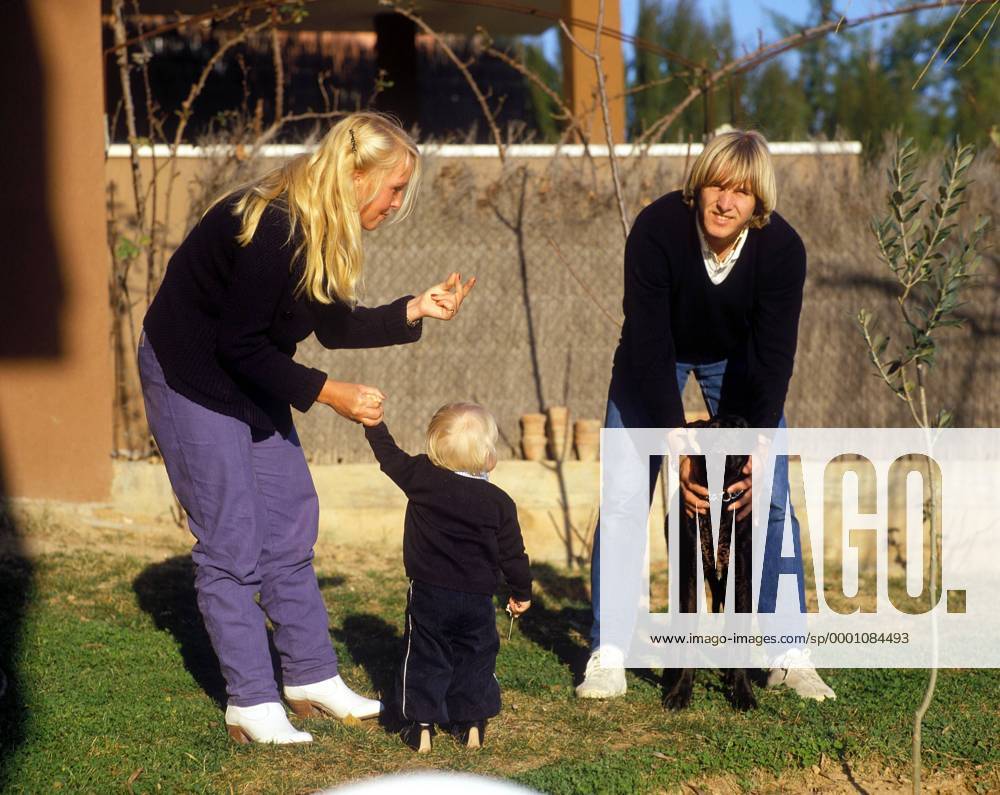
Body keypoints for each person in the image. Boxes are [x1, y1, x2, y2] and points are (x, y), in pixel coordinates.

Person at [138, 112, 476, 744]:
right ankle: (250, 701)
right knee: (231, 538)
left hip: (245, 368)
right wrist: (329, 394)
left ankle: (312, 677)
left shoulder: (322, 226)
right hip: (191, 372)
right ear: (355, 173)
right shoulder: (274, 226)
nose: (398, 202)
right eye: (395, 187)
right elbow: (237, 347)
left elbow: (332, 325)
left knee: (291, 515)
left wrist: (414, 308)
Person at [576, 130, 835, 702]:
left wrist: (760, 441)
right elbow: (646, 335)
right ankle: (609, 651)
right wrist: (677, 442)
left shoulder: (783, 249)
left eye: (741, 193)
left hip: (738, 365)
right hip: (655, 358)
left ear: (758, 203)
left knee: (770, 499)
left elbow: (774, 354)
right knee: (624, 495)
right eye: (717, 185)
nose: (725, 202)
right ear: (699, 186)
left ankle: (787, 652)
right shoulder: (657, 228)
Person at [363, 403, 532, 753]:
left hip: (429, 592)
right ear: (487, 456)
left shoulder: (422, 477)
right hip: (477, 600)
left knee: (425, 653)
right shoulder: (499, 502)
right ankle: (470, 723)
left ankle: (421, 725)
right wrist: (521, 591)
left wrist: (374, 426)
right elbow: (512, 554)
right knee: (475, 655)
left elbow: (389, 457)